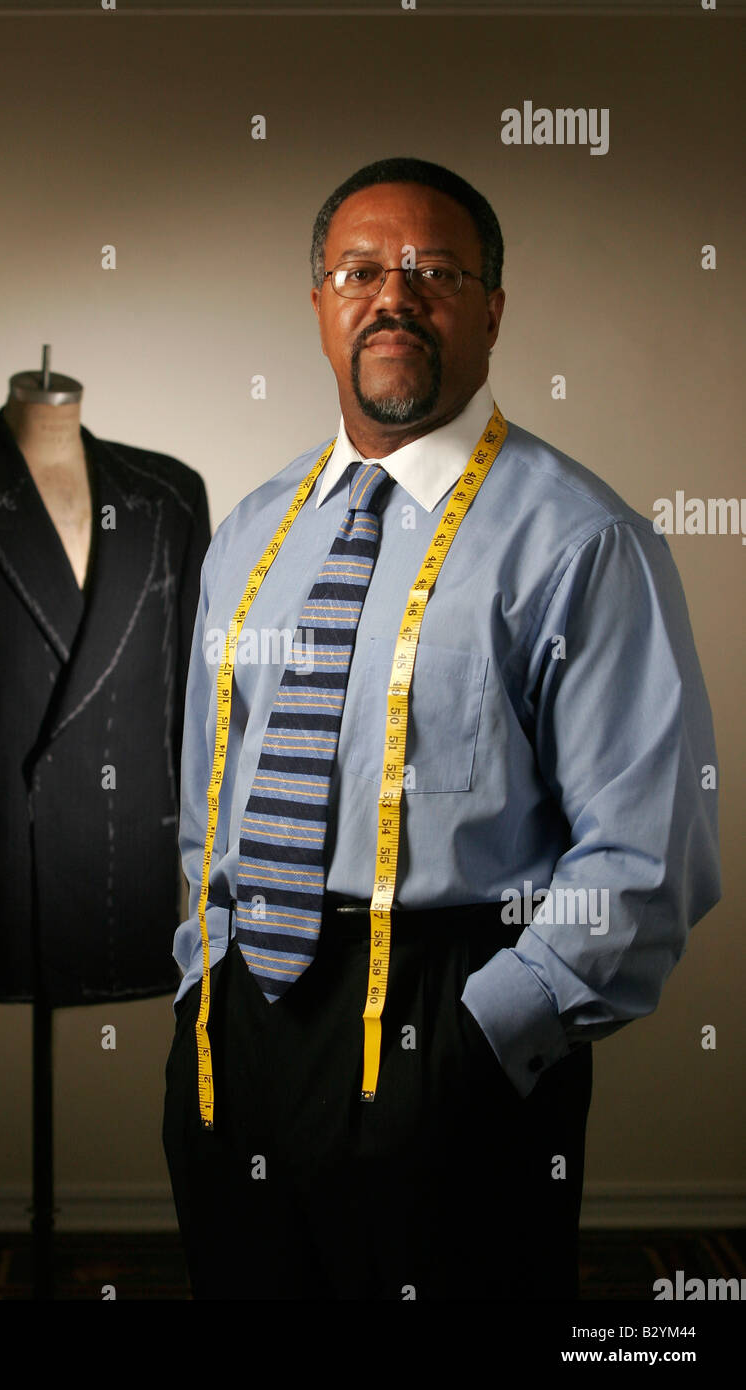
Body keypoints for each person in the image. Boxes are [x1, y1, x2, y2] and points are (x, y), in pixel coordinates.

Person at [162, 157, 721, 1301]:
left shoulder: (582, 540)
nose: (395, 295)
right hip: (239, 1030)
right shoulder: (250, 535)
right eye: (361, 270)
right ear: (320, 303)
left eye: (436, 272)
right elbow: (205, 808)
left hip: (445, 1017)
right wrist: (199, 973)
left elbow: (647, 853)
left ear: (493, 310)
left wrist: (480, 1041)